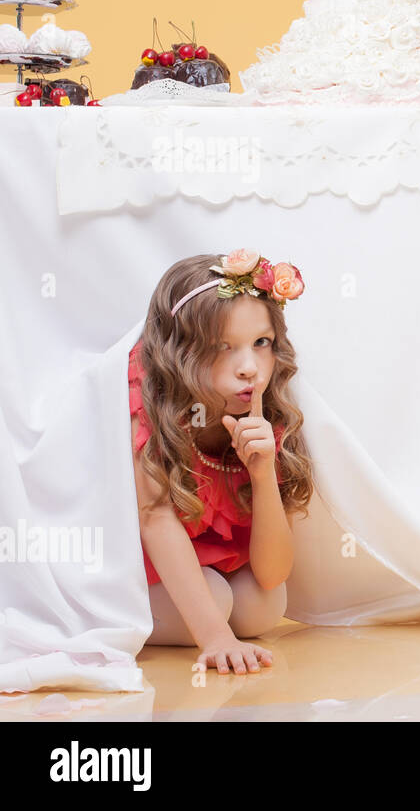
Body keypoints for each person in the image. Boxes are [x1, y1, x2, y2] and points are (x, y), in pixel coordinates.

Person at [132, 250, 312, 675]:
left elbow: (271, 573)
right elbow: (155, 520)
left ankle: (211, 613)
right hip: (140, 559)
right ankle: (204, 618)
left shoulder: (267, 414)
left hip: (211, 566)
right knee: (217, 599)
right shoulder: (150, 402)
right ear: (180, 352)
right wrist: (215, 638)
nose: (249, 368)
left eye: (261, 343)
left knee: (264, 605)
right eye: (222, 347)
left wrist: (263, 473)